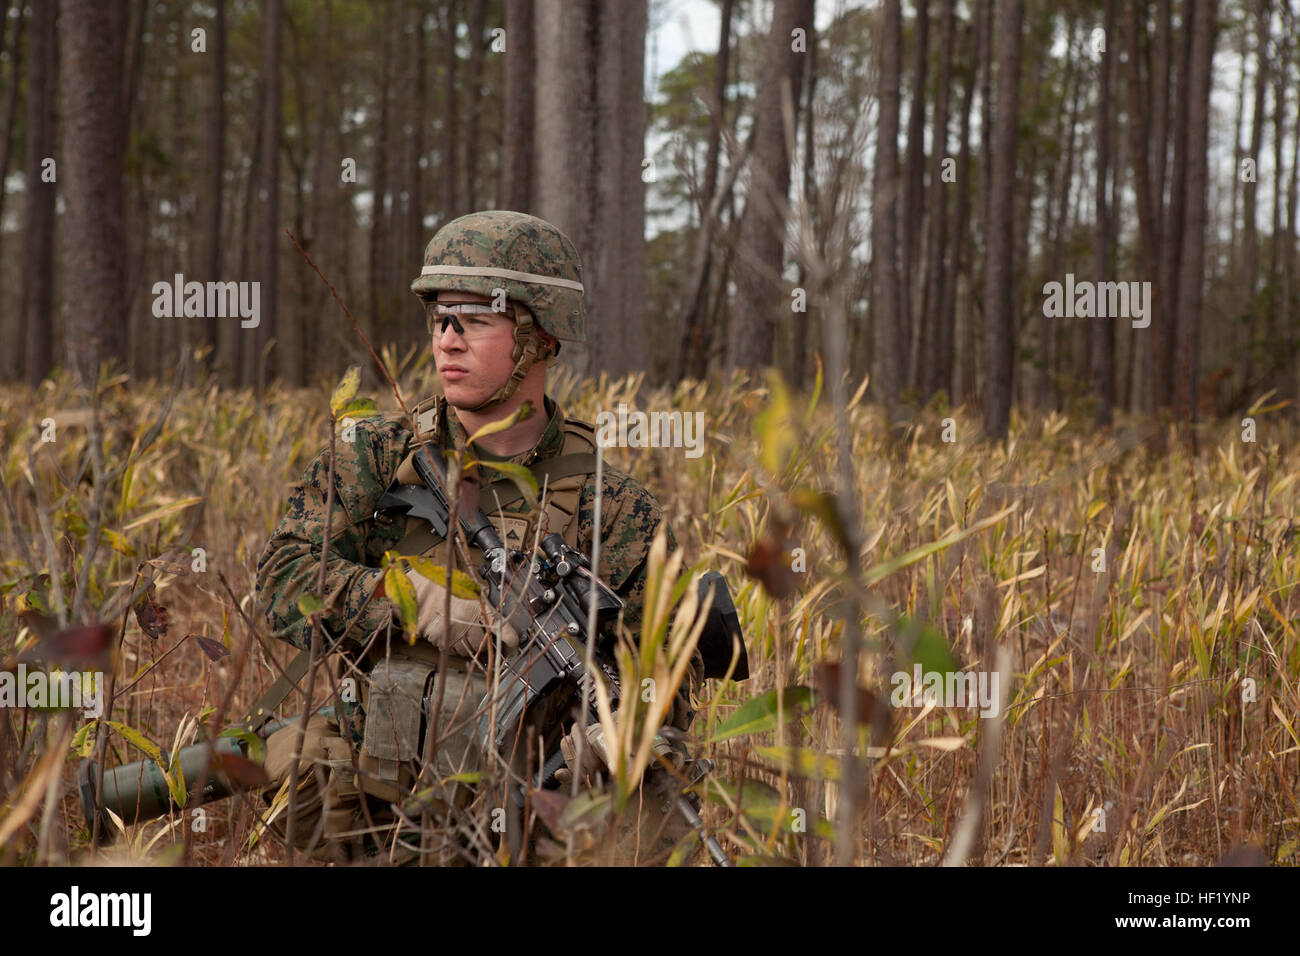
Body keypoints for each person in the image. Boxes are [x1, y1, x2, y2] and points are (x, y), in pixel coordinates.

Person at [254, 209, 704, 864]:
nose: (447, 341)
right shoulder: (379, 457)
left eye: (476, 319)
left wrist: (600, 756)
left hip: (535, 818)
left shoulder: (618, 510)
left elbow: (667, 687)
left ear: (540, 336)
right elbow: (280, 580)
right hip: (376, 802)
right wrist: (415, 600)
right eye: (440, 319)